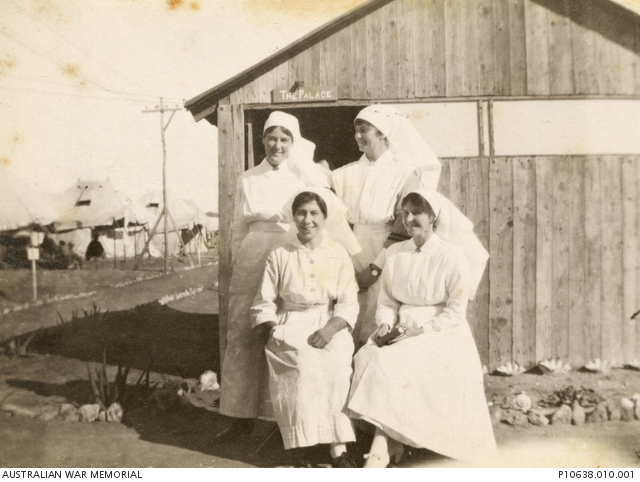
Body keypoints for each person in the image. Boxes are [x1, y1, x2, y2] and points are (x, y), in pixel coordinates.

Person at [218, 111, 359, 441]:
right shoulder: (248, 178)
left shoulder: (304, 177)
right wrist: (238, 260)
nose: (276, 145)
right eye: (271, 138)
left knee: (285, 336)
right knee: (243, 333)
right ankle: (239, 417)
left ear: (293, 143)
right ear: (262, 140)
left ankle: (280, 421)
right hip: (254, 254)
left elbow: (322, 216)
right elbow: (239, 225)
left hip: (289, 251)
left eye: (284, 139)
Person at [347, 188, 496, 467]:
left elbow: (455, 311)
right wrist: (384, 324)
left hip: (441, 331)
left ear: (433, 218)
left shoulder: (452, 256)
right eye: (405, 213)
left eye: (417, 212)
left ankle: (383, 447)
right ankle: (388, 441)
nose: (409, 218)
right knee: (368, 356)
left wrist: (422, 330)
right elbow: (388, 300)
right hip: (401, 326)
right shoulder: (394, 253)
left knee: (398, 365)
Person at [251, 189, 359, 467]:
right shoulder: (280, 254)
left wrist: (330, 329)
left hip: (327, 322)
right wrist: (275, 329)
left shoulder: (337, 253)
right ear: (293, 216)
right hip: (291, 322)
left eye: (314, 213)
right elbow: (263, 302)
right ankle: (302, 444)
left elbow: (348, 302)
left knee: (336, 361)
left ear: (324, 217)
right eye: (301, 213)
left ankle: (338, 447)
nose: (307, 220)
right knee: (303, 362)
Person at [331, 104, 441, 348]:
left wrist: (373, 269)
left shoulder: (404, 173)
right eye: (356, 130)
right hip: (349, 249)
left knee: (378, 317)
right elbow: (335, 221)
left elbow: (406, 225)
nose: (358, 135)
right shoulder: (343, 174)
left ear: (382, 133)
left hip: (389, 252)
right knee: (347, 317)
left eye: (364, 130)